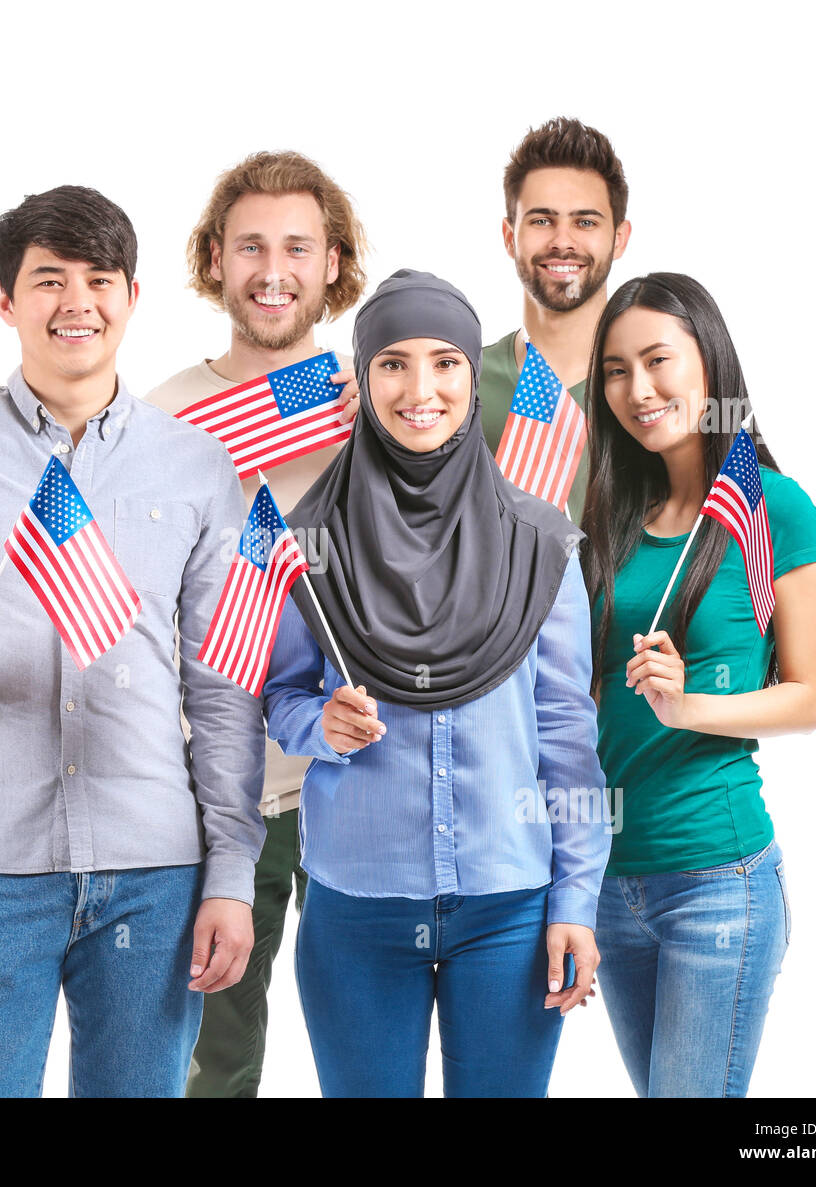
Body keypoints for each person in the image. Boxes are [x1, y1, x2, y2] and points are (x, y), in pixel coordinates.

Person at [0, 185, 266, 1098]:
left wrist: (230, 870)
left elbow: (223, 685)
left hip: (153, 869)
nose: (77, 303)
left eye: (99, 280)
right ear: (4, 301)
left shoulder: (196, 467)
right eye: (49, 280)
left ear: (132, 297)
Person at [262, 269, 611, 1097]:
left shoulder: (542, 544)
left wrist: (577, 900)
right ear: (364, 374)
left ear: (471, 377)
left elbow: (568, 741)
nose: (421, 389)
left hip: (512, 910)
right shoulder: (305, 540)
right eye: (393, 364)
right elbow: (280, 697)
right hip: (357, 907)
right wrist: (321, 725)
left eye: (446, 362)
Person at [580, 272, 816, 1097]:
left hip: (716, 877)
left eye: (658, 360)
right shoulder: (612, 514)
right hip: (611, 883)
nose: (638, 389)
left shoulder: (774, 509)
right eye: (616, 370)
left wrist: (689, 705)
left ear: (710, 362)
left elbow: (808, 695)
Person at [144, 149, 365, 1098]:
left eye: (296, 247)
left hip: (374, 771)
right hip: (229, 789)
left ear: (331, 263)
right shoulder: (161, 418)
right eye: (249, 247)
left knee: (373, 1050)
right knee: (217, 1053)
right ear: (215, 260)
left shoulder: (386, 396)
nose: (272, 270)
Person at [480, 116, 632, 520]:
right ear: (510, 236)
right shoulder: (457, 383)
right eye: (542, 220)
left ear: (619, 238)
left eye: (585, 222)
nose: (563, 241)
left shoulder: (656, 386)